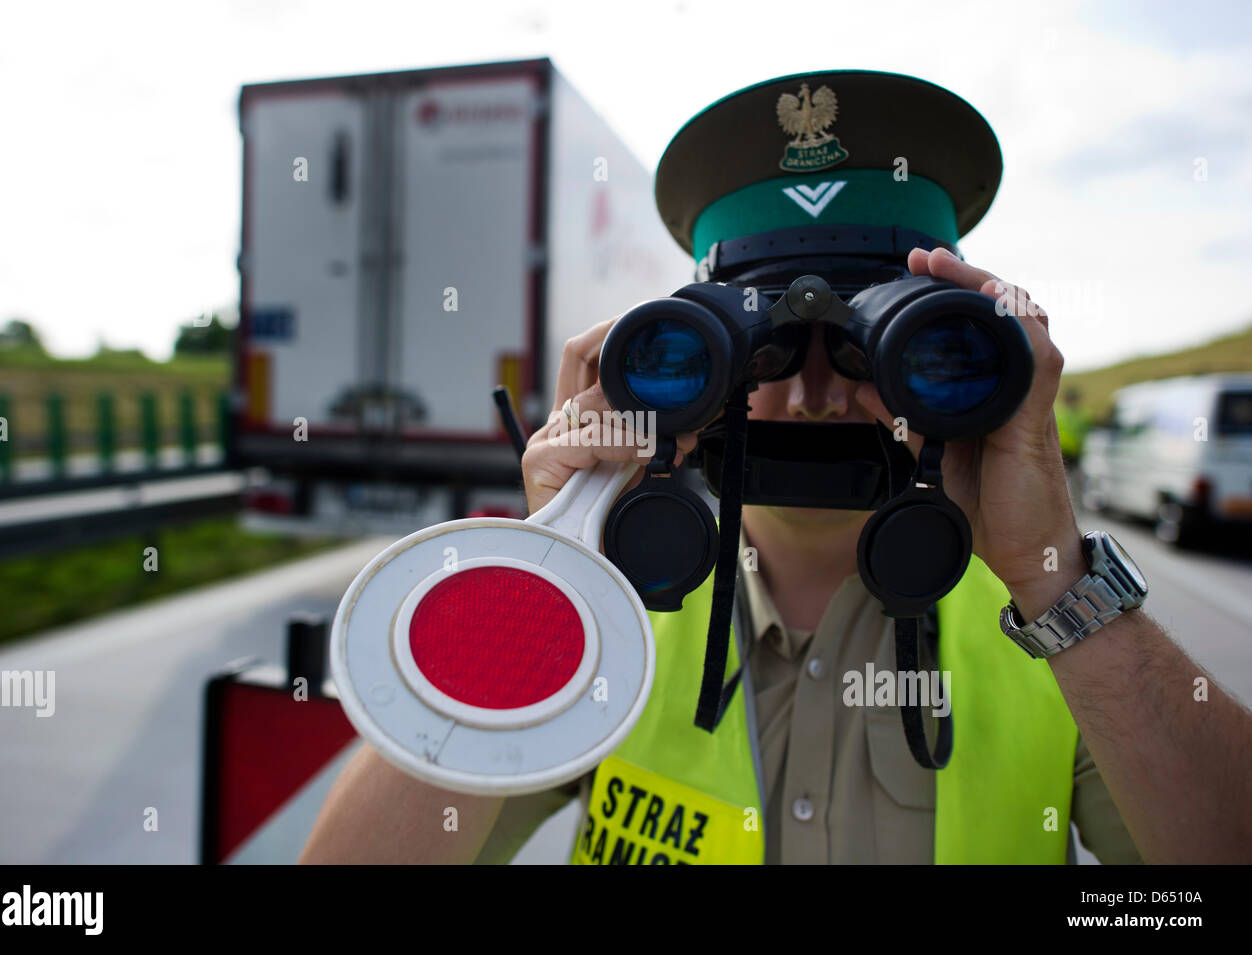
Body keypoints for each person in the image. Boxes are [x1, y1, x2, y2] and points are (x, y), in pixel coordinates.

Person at [301, 71, 1252, 865]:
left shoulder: (1049, 640)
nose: (810, 393)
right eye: (758, 348)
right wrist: (550, 563)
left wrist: (1056, 577)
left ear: (972, 355)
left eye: (870, 348)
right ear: (693, 356)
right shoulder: (613, 619)